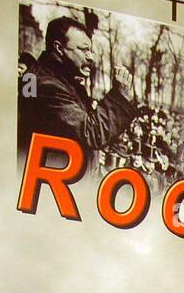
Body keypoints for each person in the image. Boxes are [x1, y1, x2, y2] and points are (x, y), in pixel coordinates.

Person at [17, 15, 137, 174]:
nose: (91, 57)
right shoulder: (47, 86)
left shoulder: (56, 81)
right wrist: (119, 96)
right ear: (59, 48)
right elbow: (92, 133)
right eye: (84, 50)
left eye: (91, 51)